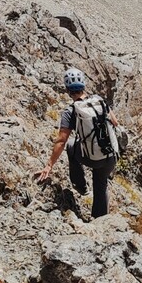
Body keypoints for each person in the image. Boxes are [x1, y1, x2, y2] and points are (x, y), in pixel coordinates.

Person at [34, 67, 120, 219]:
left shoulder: (70, 111)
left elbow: (61, 141)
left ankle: (80, 185)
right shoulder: (99, 101)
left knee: (71, 145)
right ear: (84, 85)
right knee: (101, 184)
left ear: (67, 89)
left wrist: (49, 165)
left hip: (92, 159)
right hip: (111, 156)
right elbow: (115, 122)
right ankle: (100, 222)